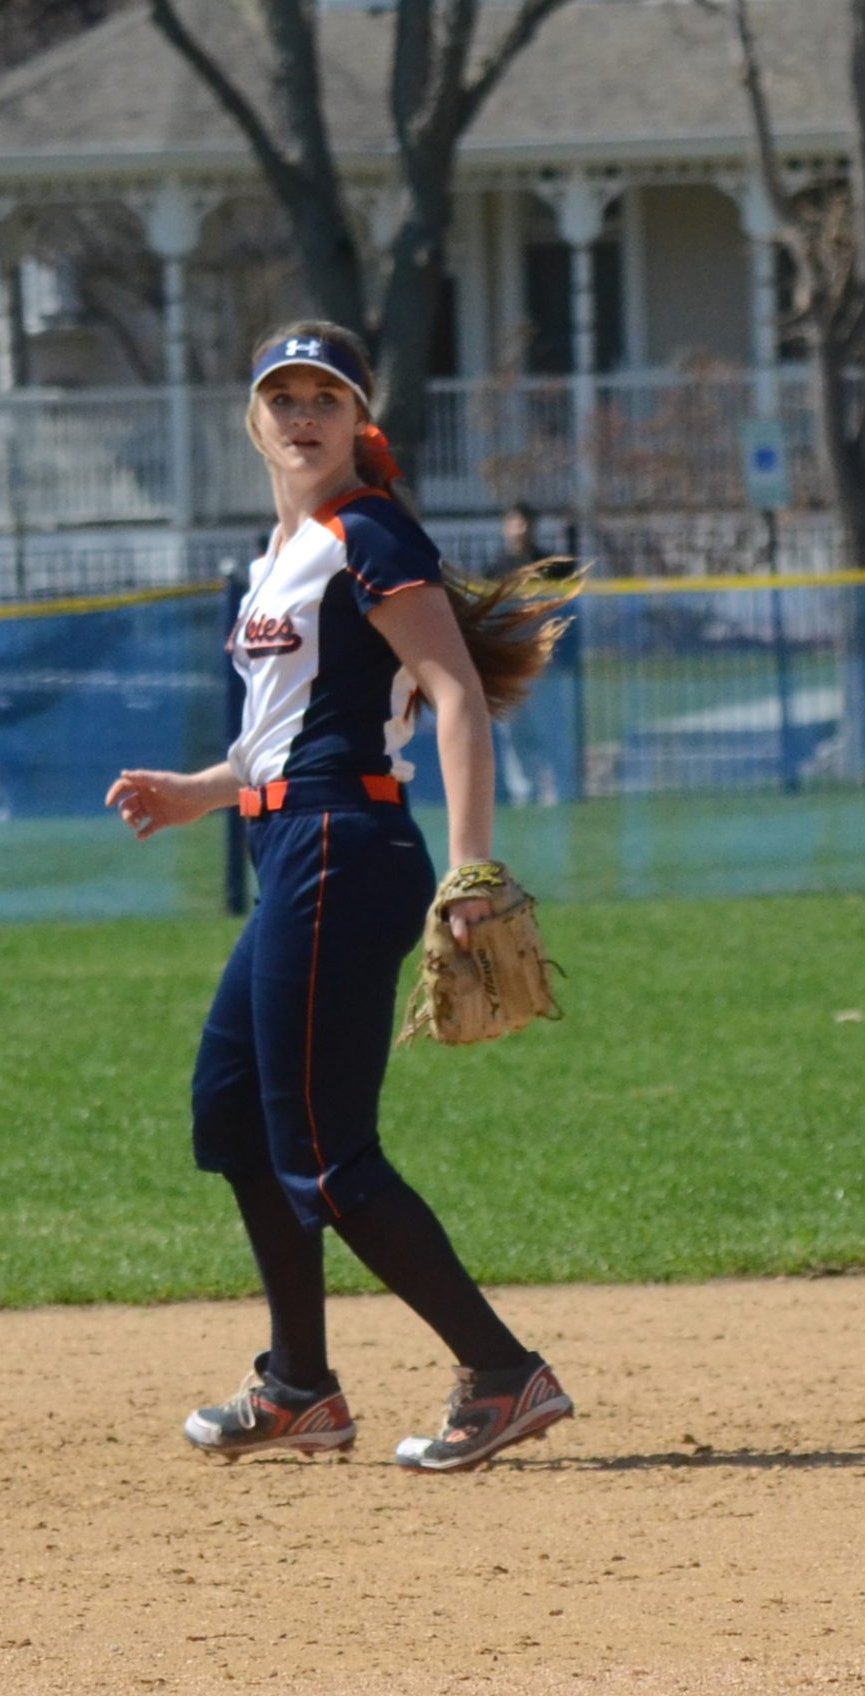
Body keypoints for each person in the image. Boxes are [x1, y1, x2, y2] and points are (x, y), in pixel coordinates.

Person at [106, 321, 577, 1473]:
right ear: (253, 417)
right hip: (294, 840)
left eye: (325, 395)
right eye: (282, 394)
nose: (301, 413)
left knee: (324, 1149)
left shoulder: (366, 528)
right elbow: (285, 739)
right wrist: (195, 793)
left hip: (343, 847)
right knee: (233, 1118)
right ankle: (300, 1385)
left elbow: (453, 693)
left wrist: (471, 869)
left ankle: (504, 1372)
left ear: (359, 420)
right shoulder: (286, 551)